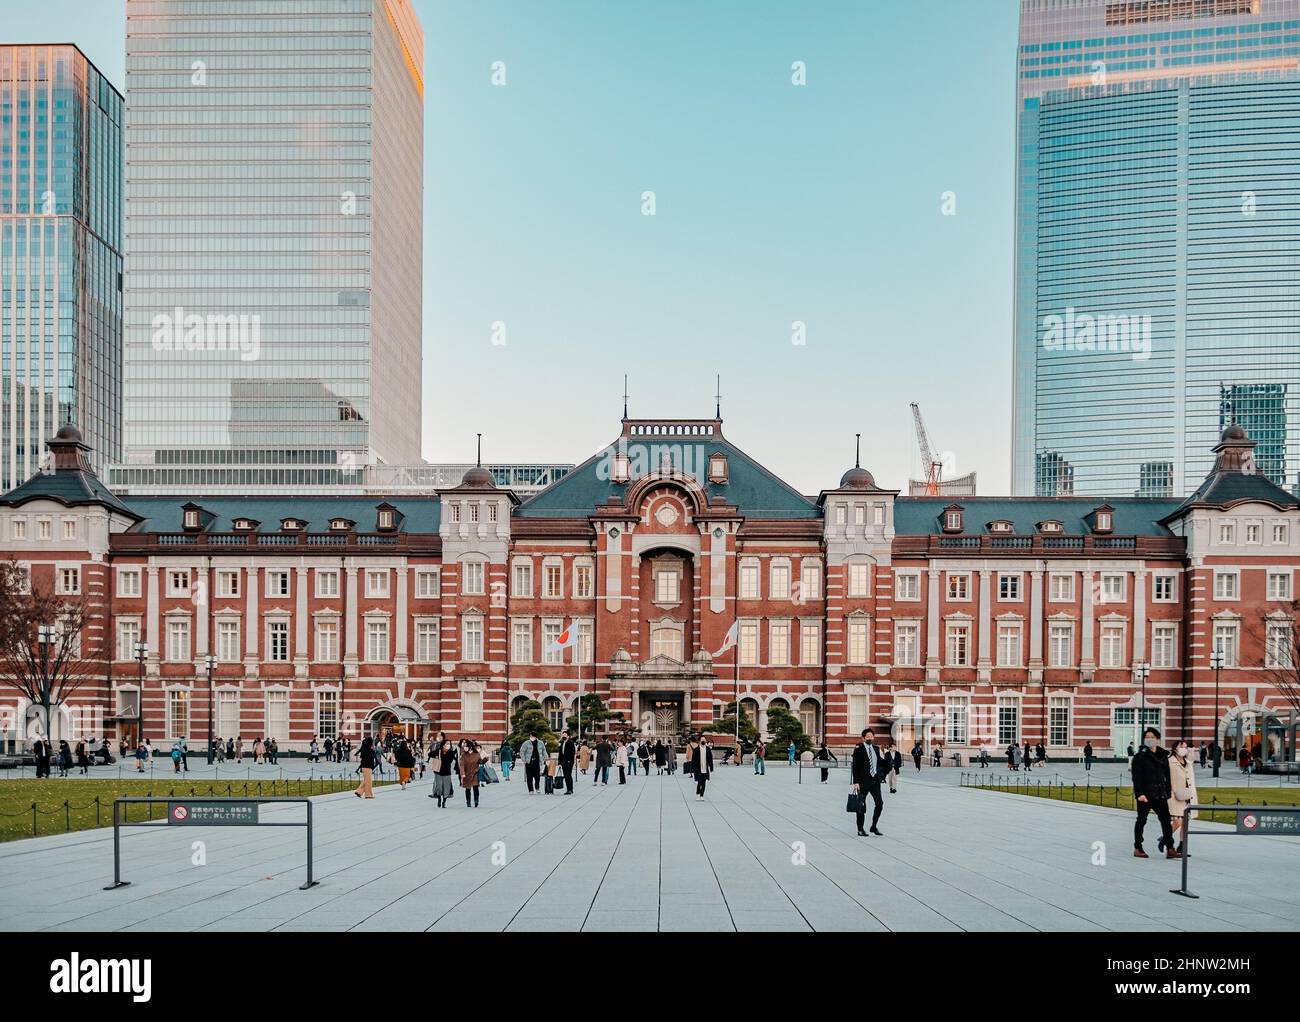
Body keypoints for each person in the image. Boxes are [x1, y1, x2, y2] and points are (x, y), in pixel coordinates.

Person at [1132, 726, 1178, 859]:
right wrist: (1139, 794)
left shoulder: (1163, 755)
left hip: (1160, 793)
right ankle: (1138, 847)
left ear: (1158, 739)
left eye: (1152, 737)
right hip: (1145, 795)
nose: (1149, 740)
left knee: (1165, 821)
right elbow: (1136, 777)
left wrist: (1167, 792)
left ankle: (1170, 847)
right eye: (1147, 737)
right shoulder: (1140, 757)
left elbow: (1167, 776)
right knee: (1141, 821)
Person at [851, 728, 888, 837]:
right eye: (868, 736)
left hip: (875, 781)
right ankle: (860, 829)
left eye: (871, 736)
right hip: (863, 781)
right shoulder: (859, 749)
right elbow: (855, 766)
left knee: (880, 803)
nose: (870, 738)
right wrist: (856, 781)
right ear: (863, 738)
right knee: (861, 805)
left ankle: (873, 826)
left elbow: (881, 763)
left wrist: (882, 773)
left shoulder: (876, 749)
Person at [1167, 738, 1197, 854]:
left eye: (1185, 747)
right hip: (1176, 796)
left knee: (1185, 823)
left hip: (1188, 796)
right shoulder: (1169, 761)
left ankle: (1182, 846)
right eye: (1182, 747)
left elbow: (1191, 758)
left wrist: (1191, 750)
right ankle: (1165, 838)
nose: (1184, 749)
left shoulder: (1188, 762)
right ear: (1175, 748)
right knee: (1177, 822)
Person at [430, 733, 457, 807]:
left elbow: (450, 761)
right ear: (443, 744)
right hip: (438, 771)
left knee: (446, 788)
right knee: (439, 787)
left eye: (449, 744)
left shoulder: (451, 752)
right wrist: (436, 757)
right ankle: (439, 799)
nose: (448, 745)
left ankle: (444, 802)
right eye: (447, 743)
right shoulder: (439, 751)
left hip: (446, 772)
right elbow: (430, 754)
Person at [459, 740, 482, 808]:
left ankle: (476, 800)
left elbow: (480, 761)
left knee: (475, 787)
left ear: (470, 747)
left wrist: (485, 759)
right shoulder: (463, 755)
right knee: (468, 788)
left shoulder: (476, 754)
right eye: (464, 746)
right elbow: (462, 764)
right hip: (467, 773)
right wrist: (462, 773)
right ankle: (468, 802)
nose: (464, 747)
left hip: (475, 773)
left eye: (466, 746)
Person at [691, 735, 715, 800]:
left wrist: (711, 768)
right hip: (698, 768)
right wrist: (693, 769)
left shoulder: (708, 749)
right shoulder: (696, 750)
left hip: (705, 768)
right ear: (699, 741)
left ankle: (702, 795)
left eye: (704, 739)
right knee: (699, 781)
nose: (703, 741)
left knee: (704, 782)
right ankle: (698, 794)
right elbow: (693, 760)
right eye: (702, 739)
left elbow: (710, 759)